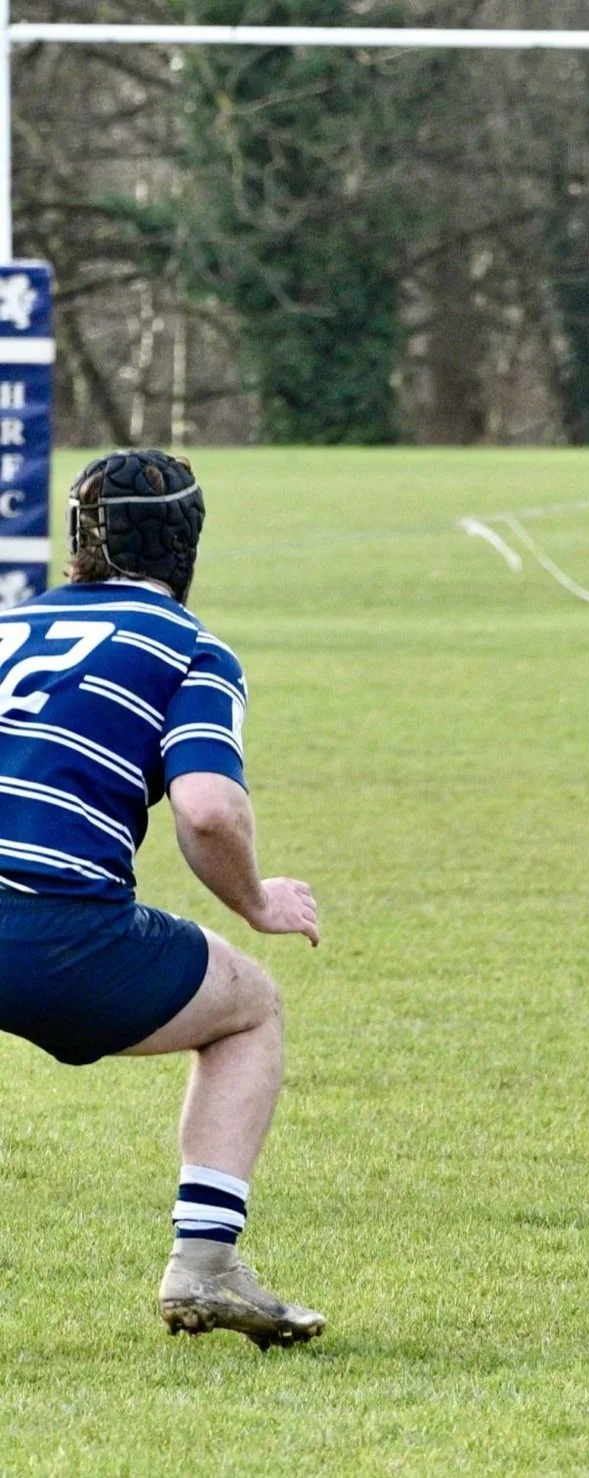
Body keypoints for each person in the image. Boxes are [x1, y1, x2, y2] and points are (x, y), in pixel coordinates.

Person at [0, 450, 325, 1348]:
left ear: (78, 540)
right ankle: (205, 1263)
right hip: (61, 932)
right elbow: (209, 810)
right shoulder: (190, 649)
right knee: (250, 1009)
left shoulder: (8, 625)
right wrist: (257, 902)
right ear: (186, 546)